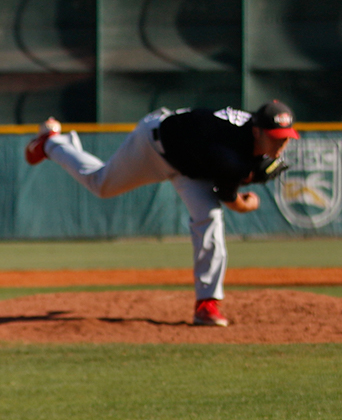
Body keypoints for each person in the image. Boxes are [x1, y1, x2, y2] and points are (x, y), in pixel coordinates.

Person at [25, 102, 300, 327]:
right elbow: (231, 199)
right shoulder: (228, 154)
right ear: (256, 132)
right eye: (275, 138)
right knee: (101, 184)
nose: (281, 145)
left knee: (209, 219)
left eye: (286, 138)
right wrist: (247, 199)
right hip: (155, 146)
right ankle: (52, 143)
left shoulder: (245, 142)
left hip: (191, 164)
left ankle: (206, 304)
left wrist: (247, 172)